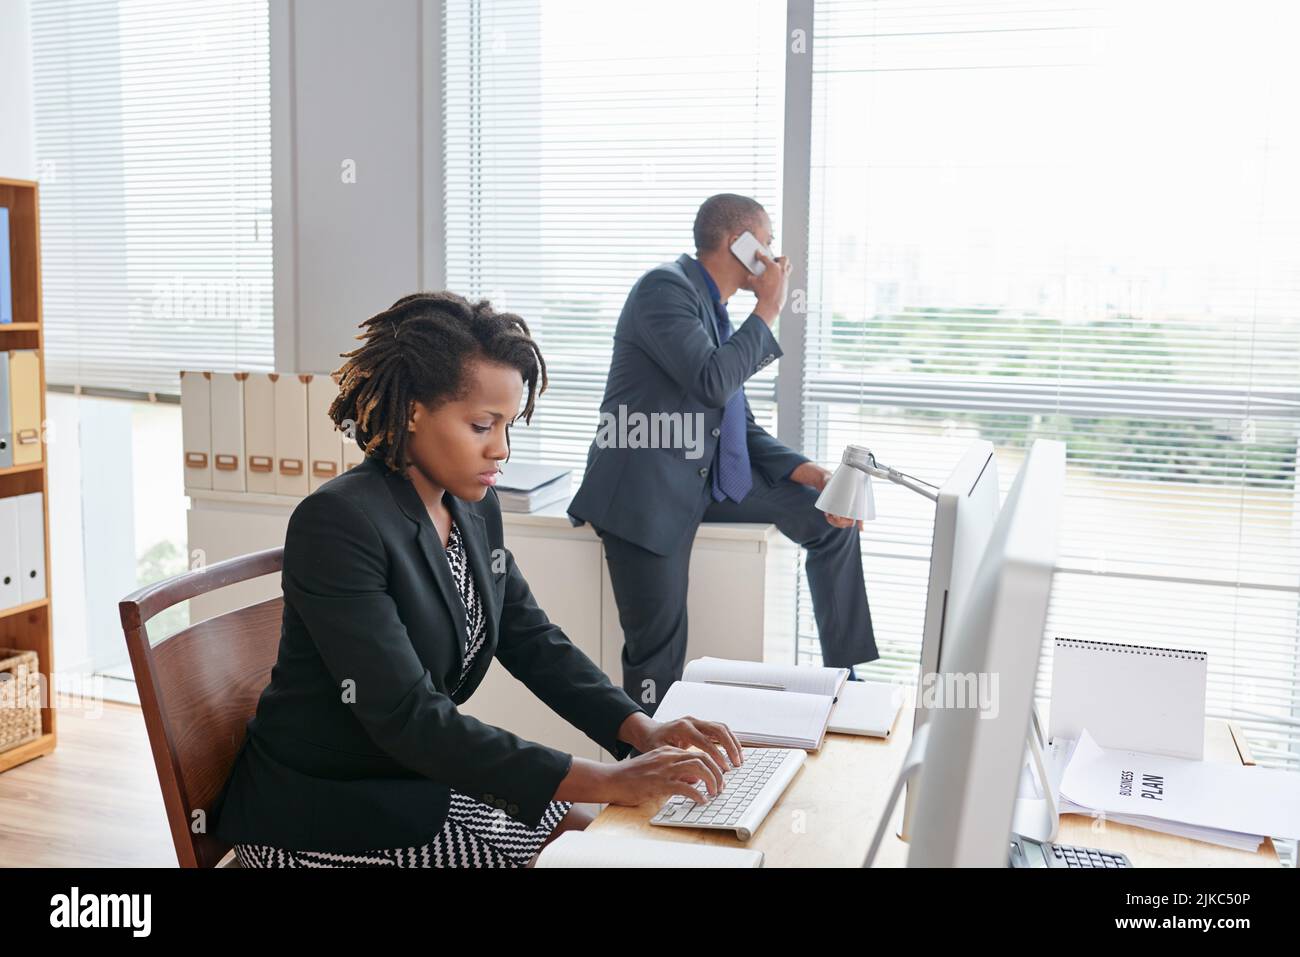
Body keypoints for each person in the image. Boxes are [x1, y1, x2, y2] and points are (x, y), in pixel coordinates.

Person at [211, 291, 744, 867]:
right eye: (482, 425)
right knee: (586, 848)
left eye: (508, 424)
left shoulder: (471, 505)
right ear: (413, 410)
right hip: (331, 808)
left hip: (421, 775)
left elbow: (530, 638)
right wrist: (612, 779)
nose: (502, 448)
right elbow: (407, 717)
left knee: (597, 842)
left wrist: (641, 729)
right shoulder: (340, 522)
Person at [567, 194, 878, 713]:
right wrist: (769, 308)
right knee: (657, 657)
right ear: (742, 244)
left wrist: (805, 472)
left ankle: (845, 679)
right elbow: (712, 381)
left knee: (828, 518)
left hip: (700, 478)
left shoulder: (712, 312)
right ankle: (646, 770)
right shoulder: (663, 289)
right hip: (645, 494)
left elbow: (737, 422)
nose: (776, 260)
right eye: (769, 244)